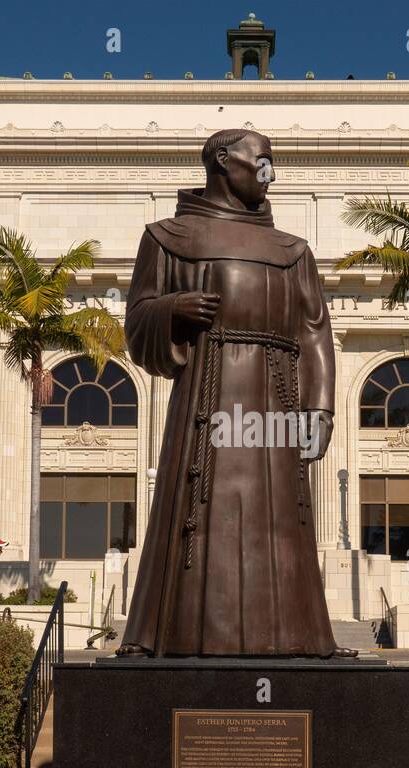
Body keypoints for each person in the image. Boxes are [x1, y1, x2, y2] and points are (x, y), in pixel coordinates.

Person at [118, 128, 353, 658]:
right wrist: (170, 309)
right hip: (205, 392)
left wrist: (319, 408)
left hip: (277, 395)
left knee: (282, 522)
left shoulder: (293, 251)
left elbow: (314, 330)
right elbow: (136, 323)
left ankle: (297, 637)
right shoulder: (165, 238)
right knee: (197, 514)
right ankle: (171, 635)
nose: (271, 174)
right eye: (262, 162)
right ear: (224, 161)